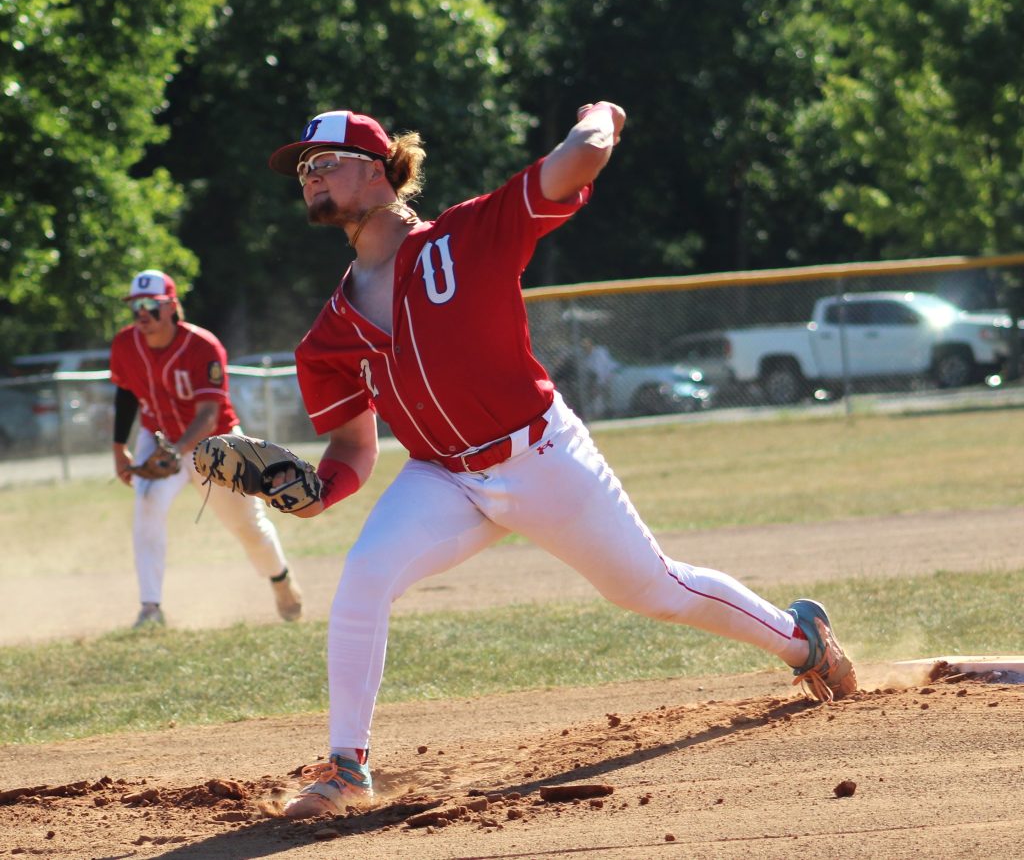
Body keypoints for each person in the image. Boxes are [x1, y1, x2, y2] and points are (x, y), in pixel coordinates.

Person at [263, 104, 857, 818]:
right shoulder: (326, 334)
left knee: (653, 589)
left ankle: (803, 641)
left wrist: (598, 119)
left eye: (322, 161)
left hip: (540, 454)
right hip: (442, 475)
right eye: (303, 169)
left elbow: (573, 165)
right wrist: (314, 493)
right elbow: (354, 449)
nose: (309, 178)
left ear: (376, 166)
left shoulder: (466, 236)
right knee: (363, 574)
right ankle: (347, 766)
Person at [110, 269, 303, 628]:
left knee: (247, 526)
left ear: (172, 306)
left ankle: (280, 579)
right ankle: (150, 608)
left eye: (152, 305)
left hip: (216, 444)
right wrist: (119, 447)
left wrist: (179, 452)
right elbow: (125, 392)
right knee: (148, 504)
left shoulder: (202, 346)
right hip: (160, 436)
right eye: (136, 306)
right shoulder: (125, 344)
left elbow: (209, 413)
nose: (143, 313)